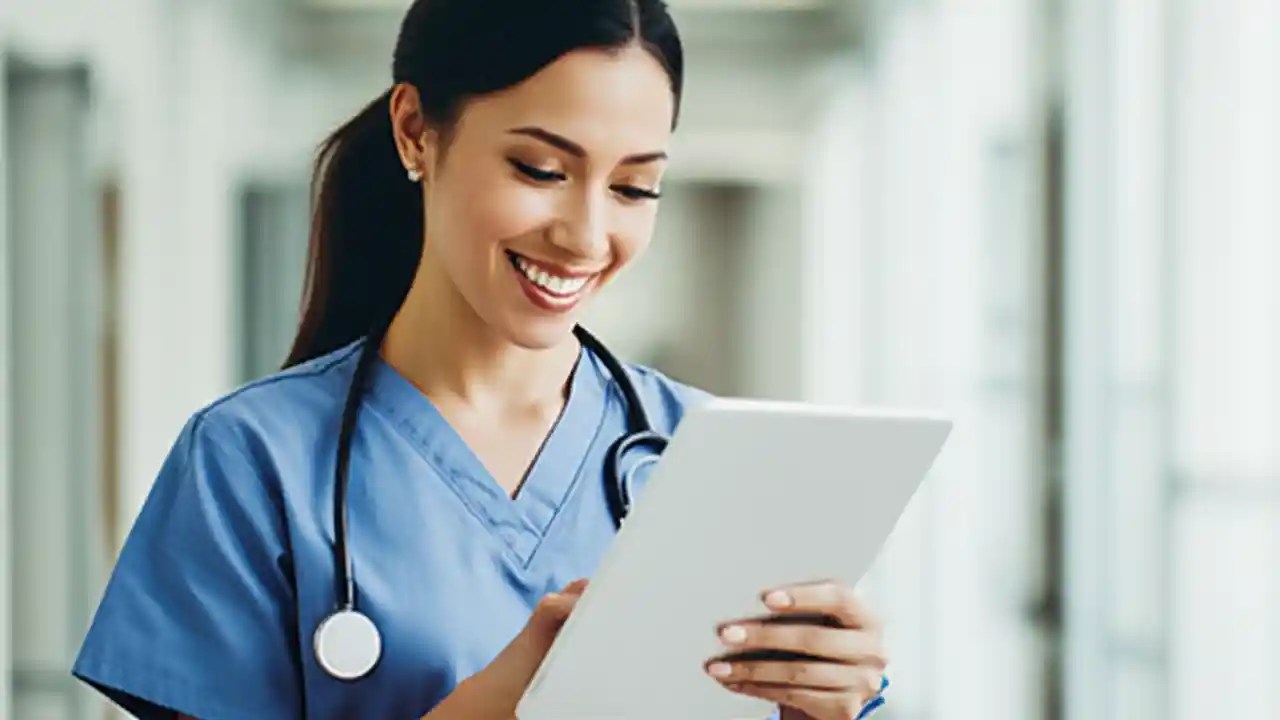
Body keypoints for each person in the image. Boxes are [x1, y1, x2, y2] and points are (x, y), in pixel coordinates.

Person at [71, 1, 889, 718]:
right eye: (540, 169)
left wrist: (821, 712)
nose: (586, 235)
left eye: (634, 188)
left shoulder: (714, 451)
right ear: (415, 131)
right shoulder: (253, 462)